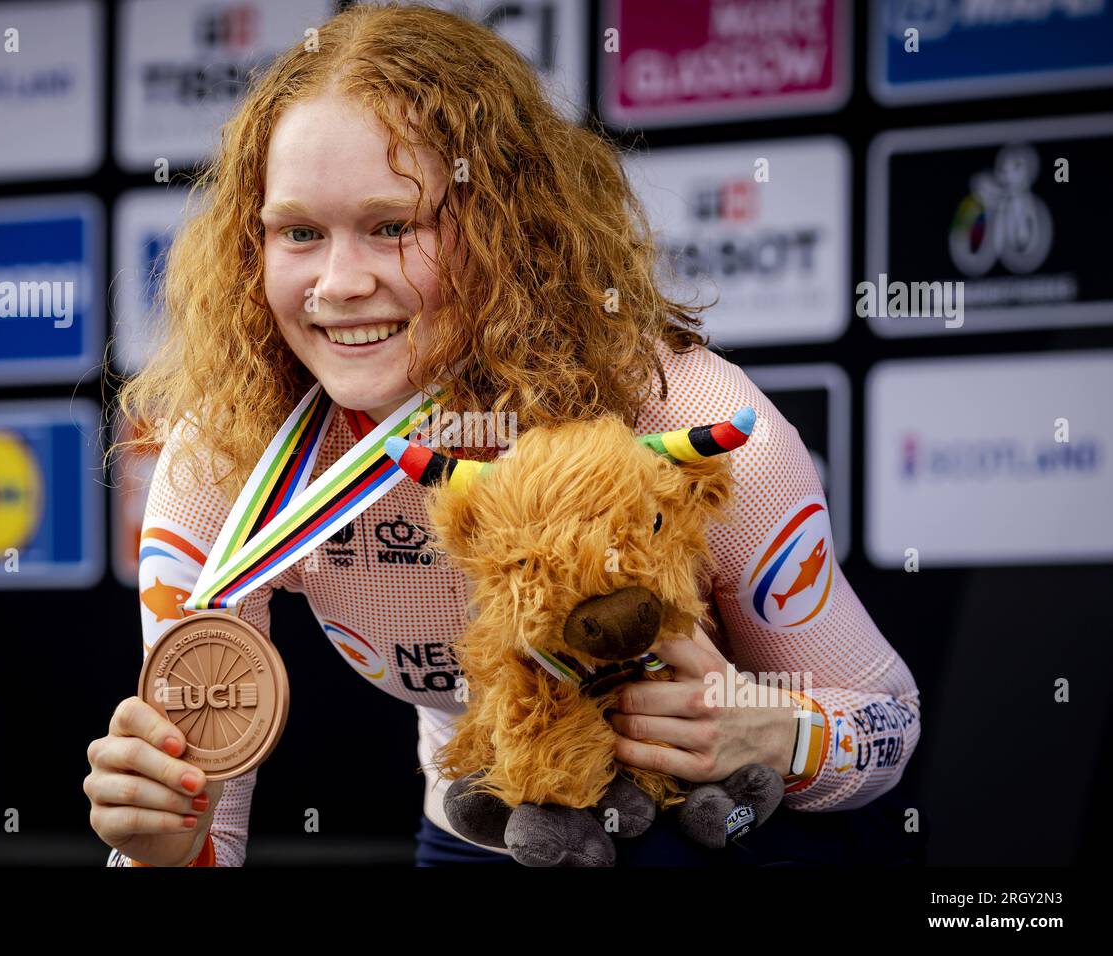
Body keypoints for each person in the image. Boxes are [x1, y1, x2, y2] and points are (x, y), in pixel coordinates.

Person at [83, 4, 921, 867]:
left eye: (393, 225)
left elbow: (889, 724)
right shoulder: (229, 452)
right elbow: (202, 828)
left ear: (502, 228)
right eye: (299, 233)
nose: (337, 283)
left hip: (729, 841)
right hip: (488, 841)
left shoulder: (685, 418)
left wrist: (774, 731)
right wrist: (161, 848)